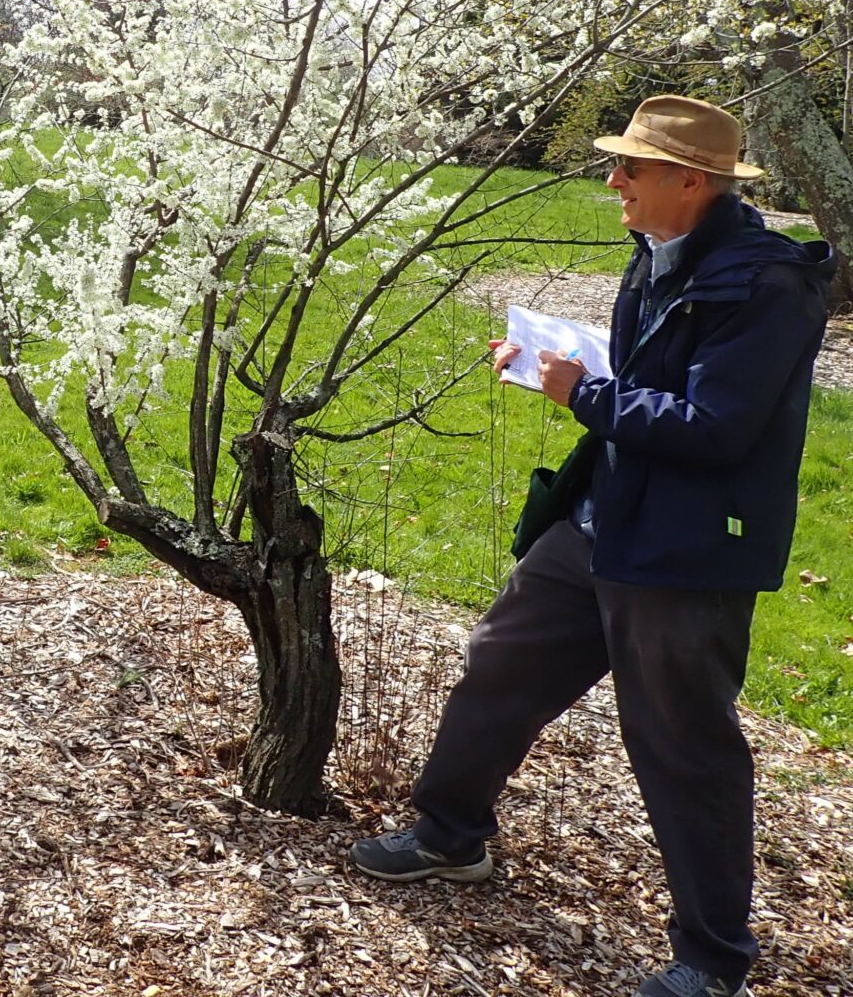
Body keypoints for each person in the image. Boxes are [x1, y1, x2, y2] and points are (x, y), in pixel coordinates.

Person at [349, 95, 834, 997]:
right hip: (604, 520)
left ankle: (712, 961)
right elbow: (647, 382)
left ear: (690, 182)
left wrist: (580, 396)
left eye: (631, 168)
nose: (613, 180)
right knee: (500, 663)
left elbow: (717, 426)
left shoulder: (769, 285)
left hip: (687, 554)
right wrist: (555, 365)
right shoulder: (653, 253)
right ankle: (449, 838)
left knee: (683, 749)